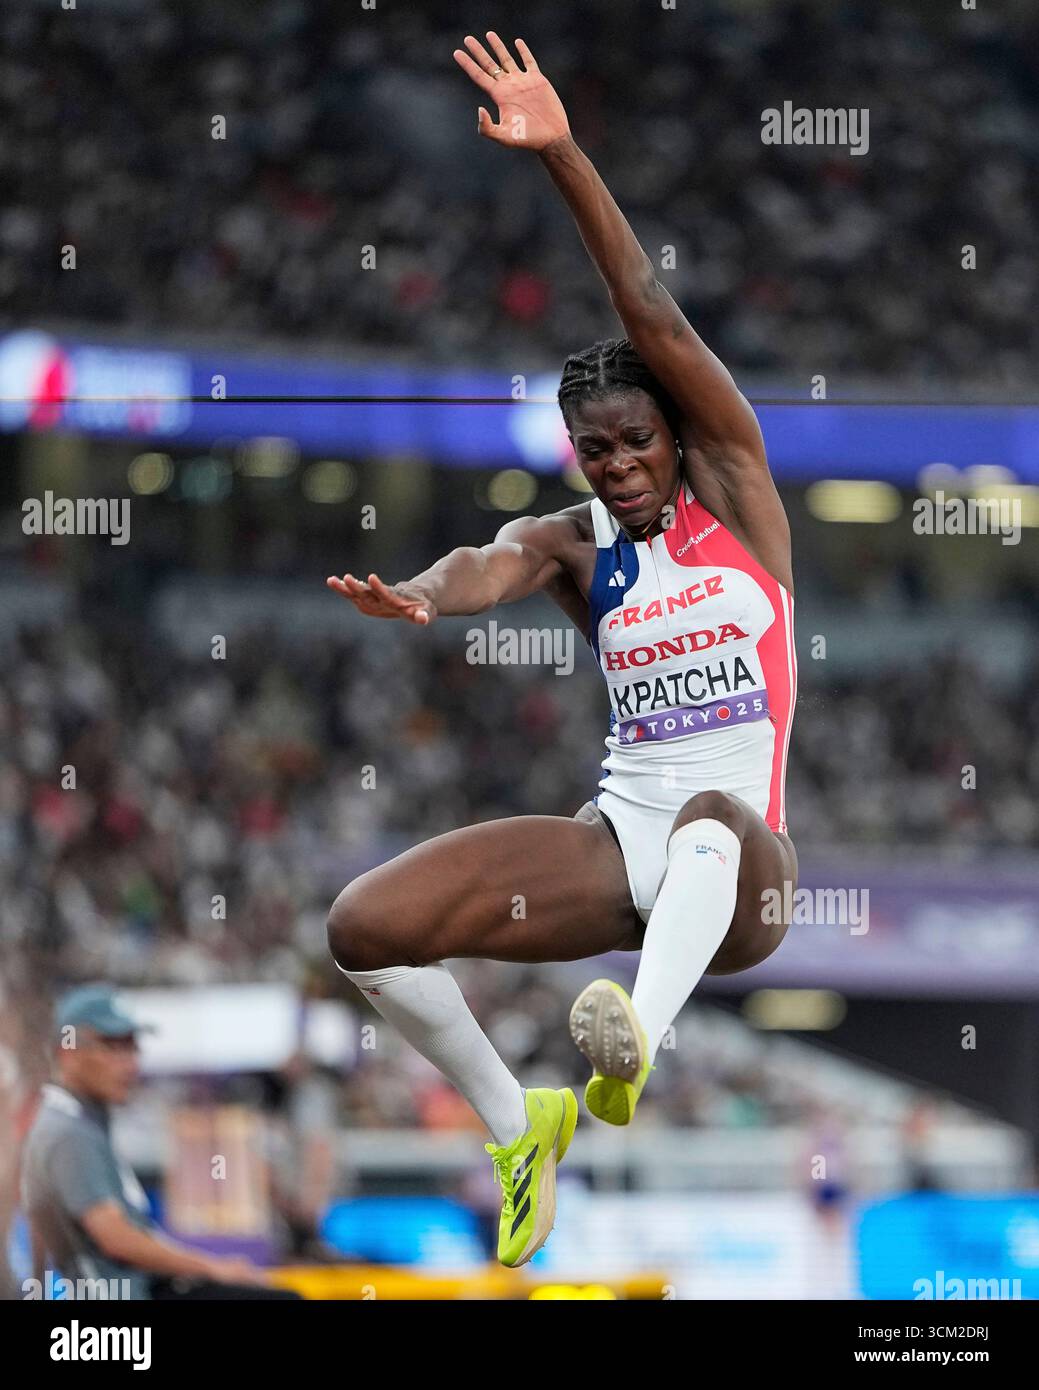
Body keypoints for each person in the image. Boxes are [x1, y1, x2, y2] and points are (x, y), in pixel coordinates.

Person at [326, 33, 797, 1268]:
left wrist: (563, 156)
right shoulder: (576, 541)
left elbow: (644, 302)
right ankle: (520, 1120)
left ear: (675, 433)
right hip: (616, 855)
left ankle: (630, 1048)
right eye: (596, 452)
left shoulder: (736, 490)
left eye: (637, 440)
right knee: (365, 925)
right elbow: (489, 562)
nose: (621, 465)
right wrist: (426, 596)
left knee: (702, 813)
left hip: (746, 872)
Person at [20, 985, 300, 1300]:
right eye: (113, 1047)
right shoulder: (68, 1131)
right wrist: (213, 1267)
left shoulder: (77, 1121)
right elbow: (117, 1239)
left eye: (132, 1047)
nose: (130, 1064)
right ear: (68, 1053)